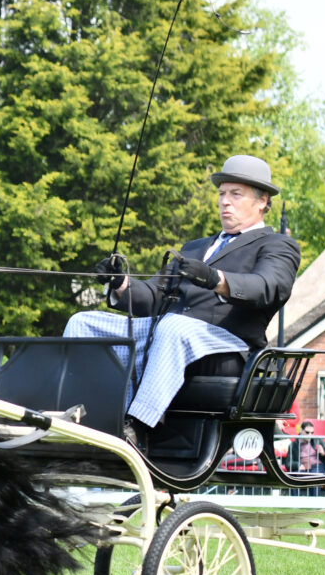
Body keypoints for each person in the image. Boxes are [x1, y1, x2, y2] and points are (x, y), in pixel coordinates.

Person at [65, 155, 300, 443]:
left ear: (262, 201)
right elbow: (154, 296)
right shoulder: (194, 248)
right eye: (222, 194)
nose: (225, 202)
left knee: (172, 326)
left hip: (227, 346)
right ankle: (76, 418)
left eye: (236, 194)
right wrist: (120, 283)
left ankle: (136, 426)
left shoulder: (277, 245)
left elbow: (268, 286)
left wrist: (216, 279)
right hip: (170, 334)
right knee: (83, 323)